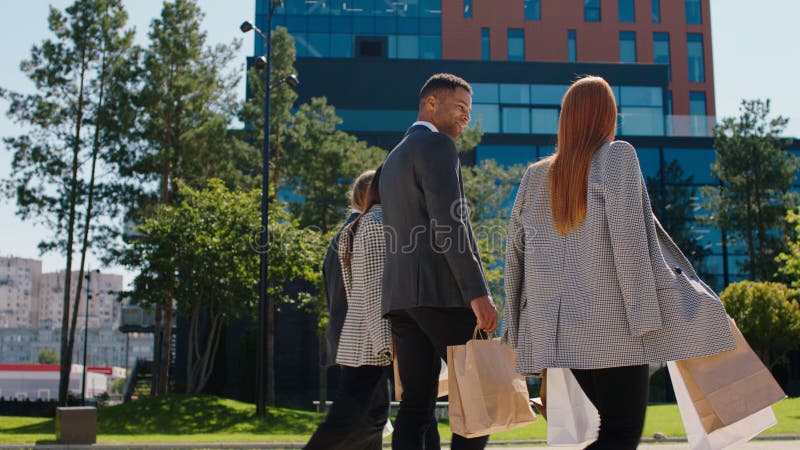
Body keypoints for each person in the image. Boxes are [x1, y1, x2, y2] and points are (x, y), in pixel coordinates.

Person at [501, 76, 735, 449]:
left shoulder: (535, 175)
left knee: (613, 431)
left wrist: (518, 330)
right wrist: (647, 321)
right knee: (621, 433)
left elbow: (515, 257)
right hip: (616, 326)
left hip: (562, 334)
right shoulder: (617, 157)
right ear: (607, 115)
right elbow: (631, 247)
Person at [380, 73, 498, 450]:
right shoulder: (437, 145)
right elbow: (451, 222)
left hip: (401, 299)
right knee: (477, 396)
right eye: (460, 107)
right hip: (441, 294)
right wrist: (478, 292)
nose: (466, 117)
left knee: (416, 404)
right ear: (432, 103)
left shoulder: (393, 157)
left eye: (469, 110)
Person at [304, 169, 388, 450]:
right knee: (359, 416)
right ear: (371, 195)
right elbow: (357, 292)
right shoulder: (360, 230)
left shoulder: (348, 231)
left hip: (355, 338)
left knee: (373, 418)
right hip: (361, 339)